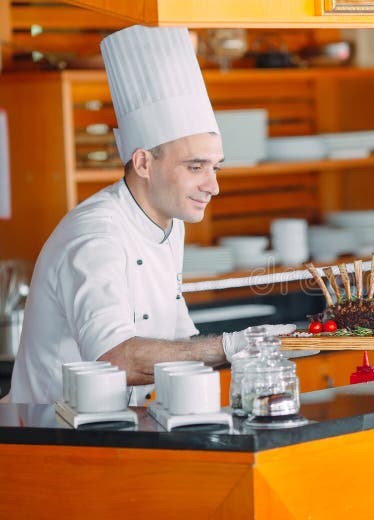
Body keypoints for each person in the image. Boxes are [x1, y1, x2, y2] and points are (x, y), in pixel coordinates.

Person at [10, 25, 270, 406]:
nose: (213, 186)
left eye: (216, 167)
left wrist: (270, 349)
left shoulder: (168, 219)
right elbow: (115, 357)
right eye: (196, 167)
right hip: (52, 433)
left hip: (115, 426)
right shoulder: (94, 237)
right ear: (144, 162)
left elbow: (176, 342)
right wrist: (228, 347)